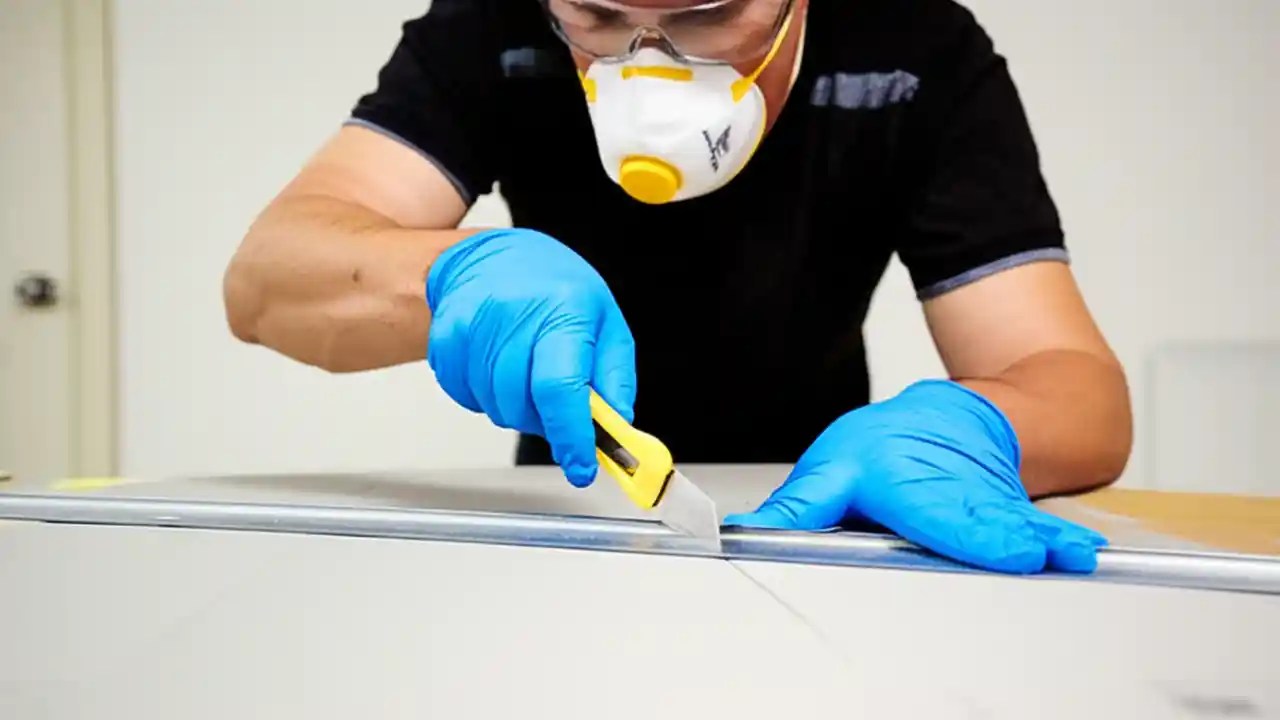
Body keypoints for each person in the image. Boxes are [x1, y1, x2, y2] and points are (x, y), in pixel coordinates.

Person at [222, 0, 1133, 575]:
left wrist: (980, 427)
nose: (648, 71)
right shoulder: (492, 28)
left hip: (821, 523)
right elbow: (265, 281)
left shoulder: (914, 48)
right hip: (572, 517)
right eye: (597, 18)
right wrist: (447, 274)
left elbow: (1074, 386)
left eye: (711, 16)